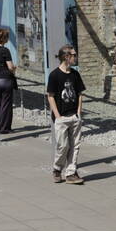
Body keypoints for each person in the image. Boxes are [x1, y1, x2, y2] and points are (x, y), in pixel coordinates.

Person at [46, 45, 85, 184]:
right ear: (66, 57)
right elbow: (50, 96)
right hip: (61, 117)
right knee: (63, 146)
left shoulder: (75, 74)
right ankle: (57, 168)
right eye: (74, 55)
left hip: (74, 116)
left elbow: (80, 93)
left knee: (75, 145)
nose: (76, 57)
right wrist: (57, 116)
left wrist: (79, 112)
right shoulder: (54, 75)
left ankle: (71, 173)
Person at [0, 27, 16, 134]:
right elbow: (10, 67)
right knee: (6, 105)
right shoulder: (5, 50)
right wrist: (14, 68)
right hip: (5, 79)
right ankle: (4, 128)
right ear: (4, 39)